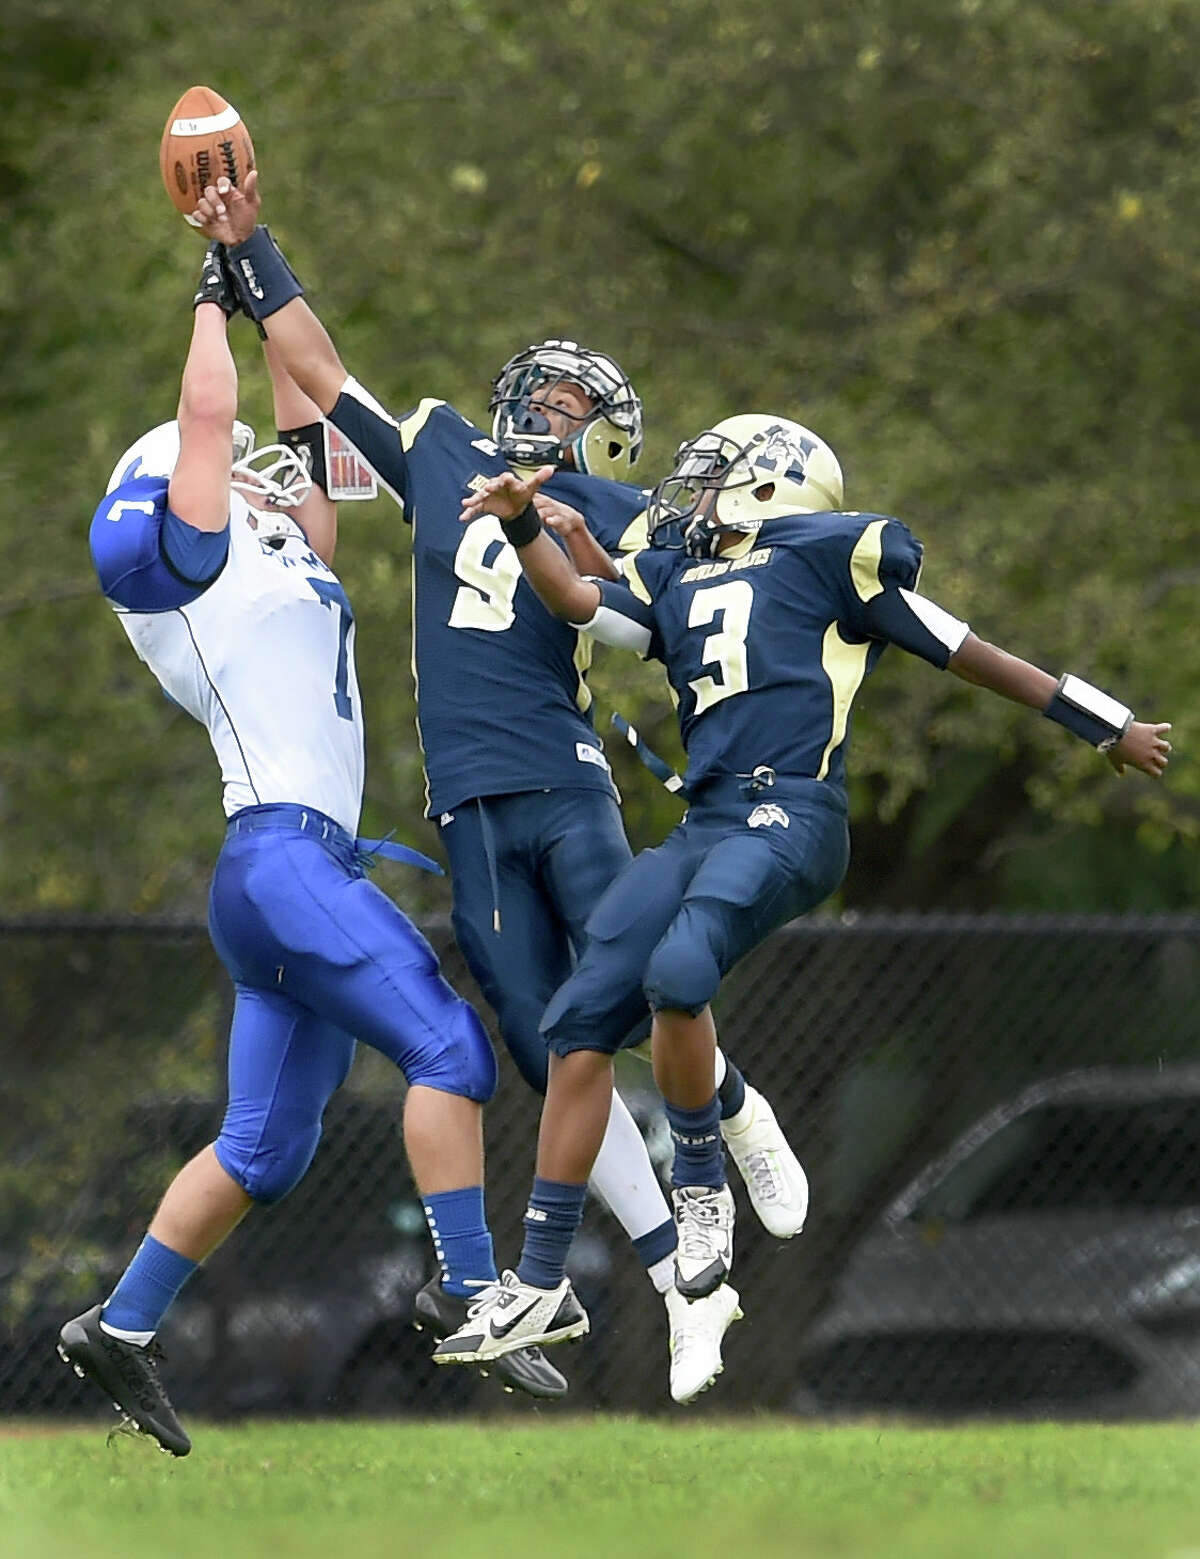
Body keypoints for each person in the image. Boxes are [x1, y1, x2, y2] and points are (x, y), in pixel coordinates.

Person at [190, 172, 805, 1403]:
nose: (551, 404)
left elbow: (715, 566)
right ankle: (688, 1280)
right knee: (546, 1043)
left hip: (566, 780)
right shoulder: (434, 447)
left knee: (639, 969)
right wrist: (248, 250)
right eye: (549, 387)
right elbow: (312, 364)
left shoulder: (612, 506)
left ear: (603, 436)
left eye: (580, 402)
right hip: (468, 806)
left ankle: (733, 1104)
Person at [426, 412, 1173, 1374]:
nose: (688, 496)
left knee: (680, 967)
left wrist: (1104, 722)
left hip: (792, 817)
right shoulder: (679, 571)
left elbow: (966, 646)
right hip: (707, 821)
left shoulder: (832, 553)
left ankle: (702, 1190)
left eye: (711, 478)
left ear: (770, 484)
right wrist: (530, 526)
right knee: (578, 1020)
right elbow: (577, 603)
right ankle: (535, 1283)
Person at [56, 249, 562, 1459]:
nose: (262, 481)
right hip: (282, 860)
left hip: (289, 871)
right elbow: (209, 416)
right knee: (446, 1042)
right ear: (186, 487)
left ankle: (118, 1325)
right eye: (235, 475)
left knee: (267, 1146)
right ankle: (470, 1288)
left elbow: (312, 452)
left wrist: (261, 283)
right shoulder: (189, 566)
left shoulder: (279, 559)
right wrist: (201, 303)